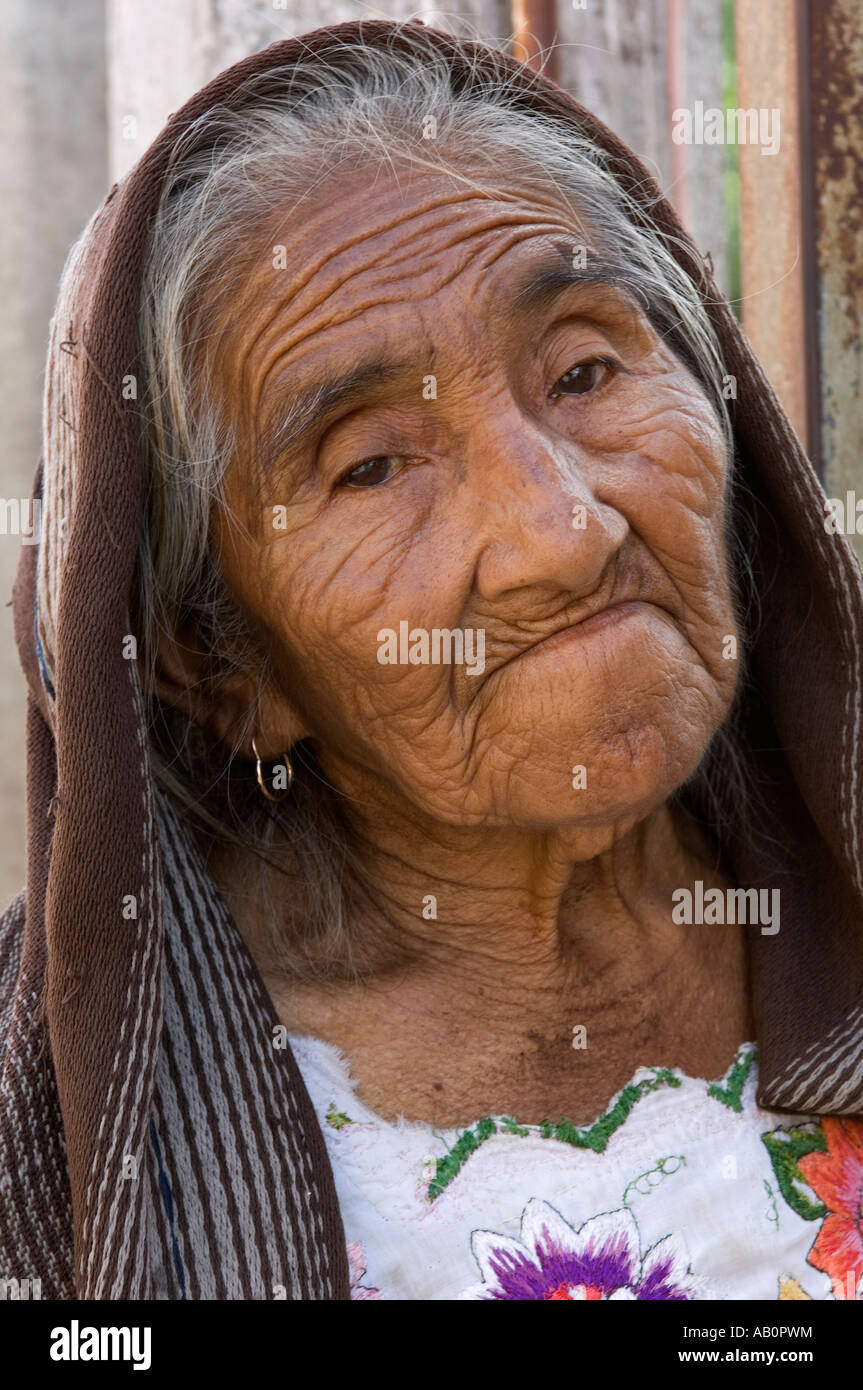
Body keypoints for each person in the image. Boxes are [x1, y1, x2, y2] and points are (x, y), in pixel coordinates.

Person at [1, 17, 861, 1302]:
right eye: (373, 464)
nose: (563, 532)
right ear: (218, 666)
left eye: (581, 369)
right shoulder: (53, 1145)